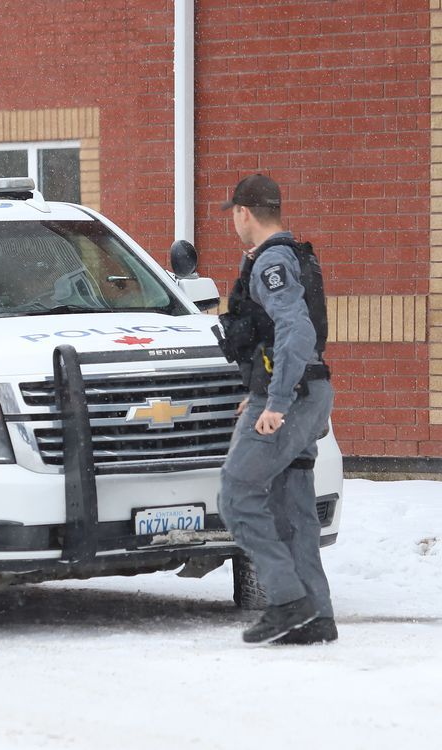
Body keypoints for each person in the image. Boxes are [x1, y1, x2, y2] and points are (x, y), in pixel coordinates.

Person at [215, 174, 337, 645]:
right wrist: (266, 389)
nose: (235, 223)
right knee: (292, 503)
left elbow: (296, 331)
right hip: (308, 390)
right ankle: (316, 615)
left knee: (237, 492)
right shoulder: (291, 255)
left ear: (244, 213)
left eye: (234, 215)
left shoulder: (271, 263)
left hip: (294, 395)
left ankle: (288, 601)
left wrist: (277, 401)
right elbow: (277, 336)